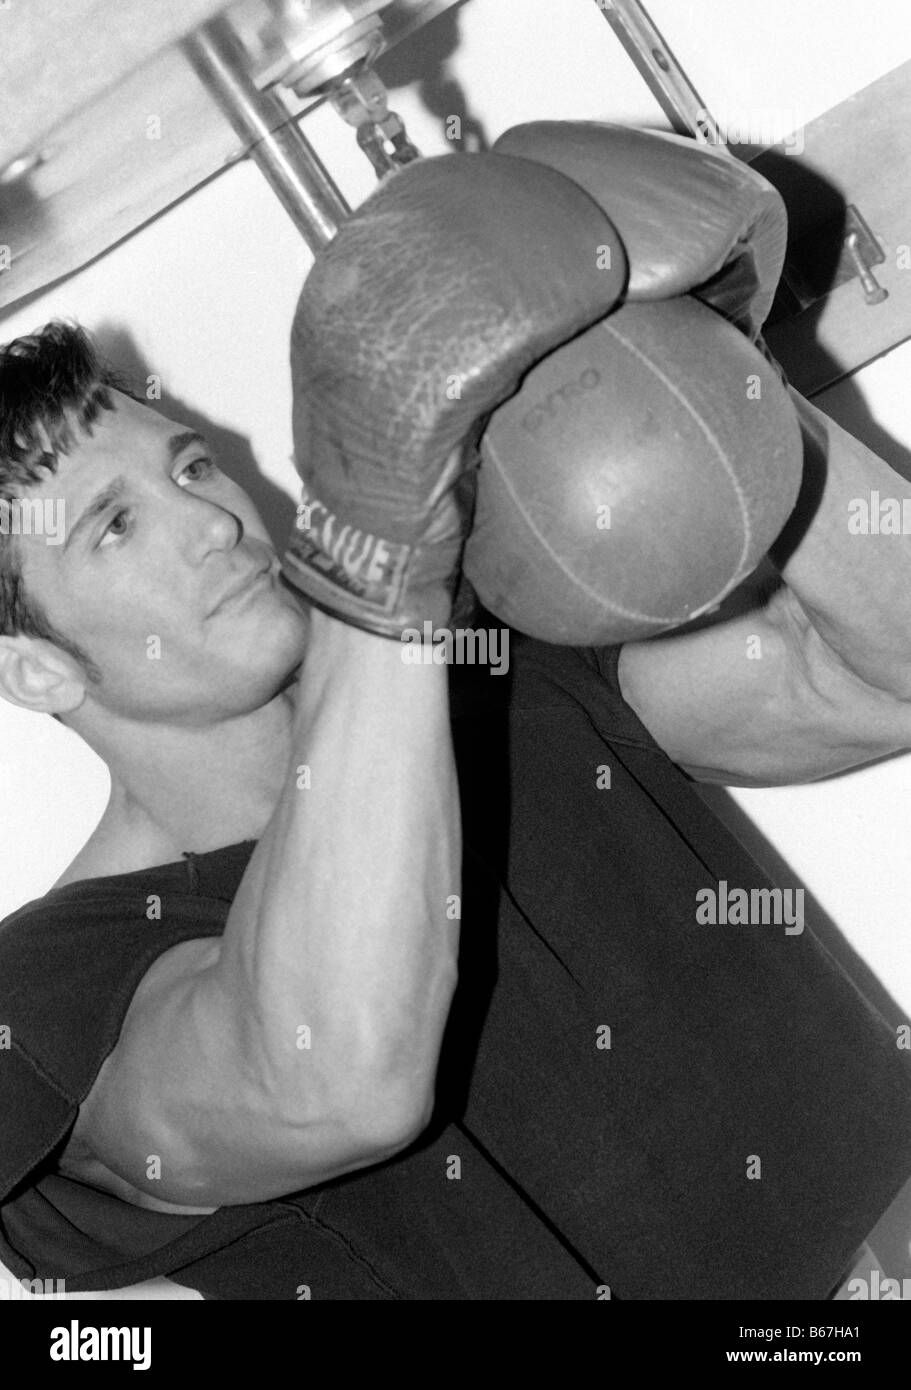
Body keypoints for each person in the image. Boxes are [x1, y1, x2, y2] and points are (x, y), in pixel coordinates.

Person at [2, 134, 911, 1301]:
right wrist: (372, 544)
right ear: (33, 671)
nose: (214, 521)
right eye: (114, 526)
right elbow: (329, 1083)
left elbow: (875, 675)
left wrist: (725, 389)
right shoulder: (42, 996)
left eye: (186, 468)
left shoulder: (483, 662)